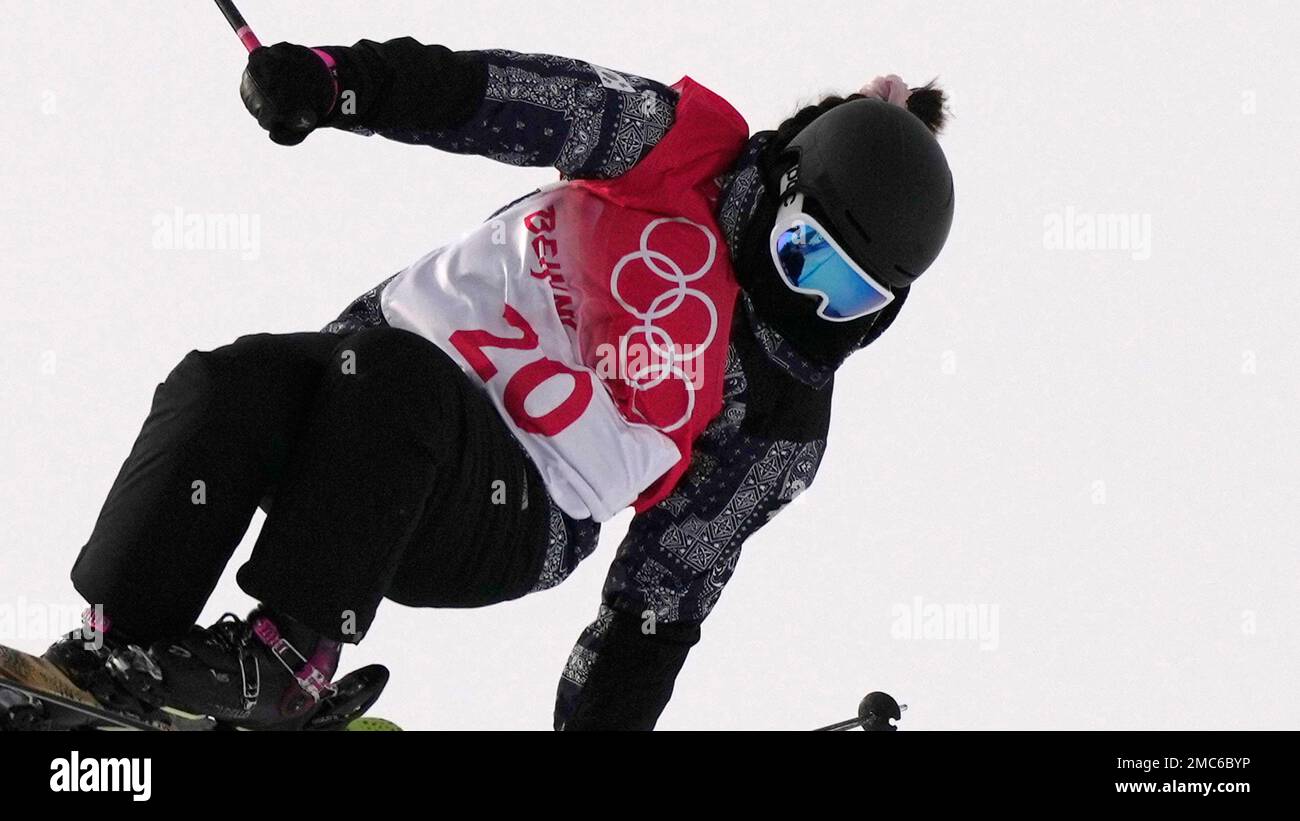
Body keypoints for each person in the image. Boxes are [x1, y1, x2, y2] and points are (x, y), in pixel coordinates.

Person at [46, 37, 954, 730]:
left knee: (395, 383)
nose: (807, 303)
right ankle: (108, 659)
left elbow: (659, 602)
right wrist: (338, 82)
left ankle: (290, 662)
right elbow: (499, 97)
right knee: (224, 384)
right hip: (361, 406)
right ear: (783, 185)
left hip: (507, 509)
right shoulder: (676, 145)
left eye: (849, 298)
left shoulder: (780, 413)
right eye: (805, 256)